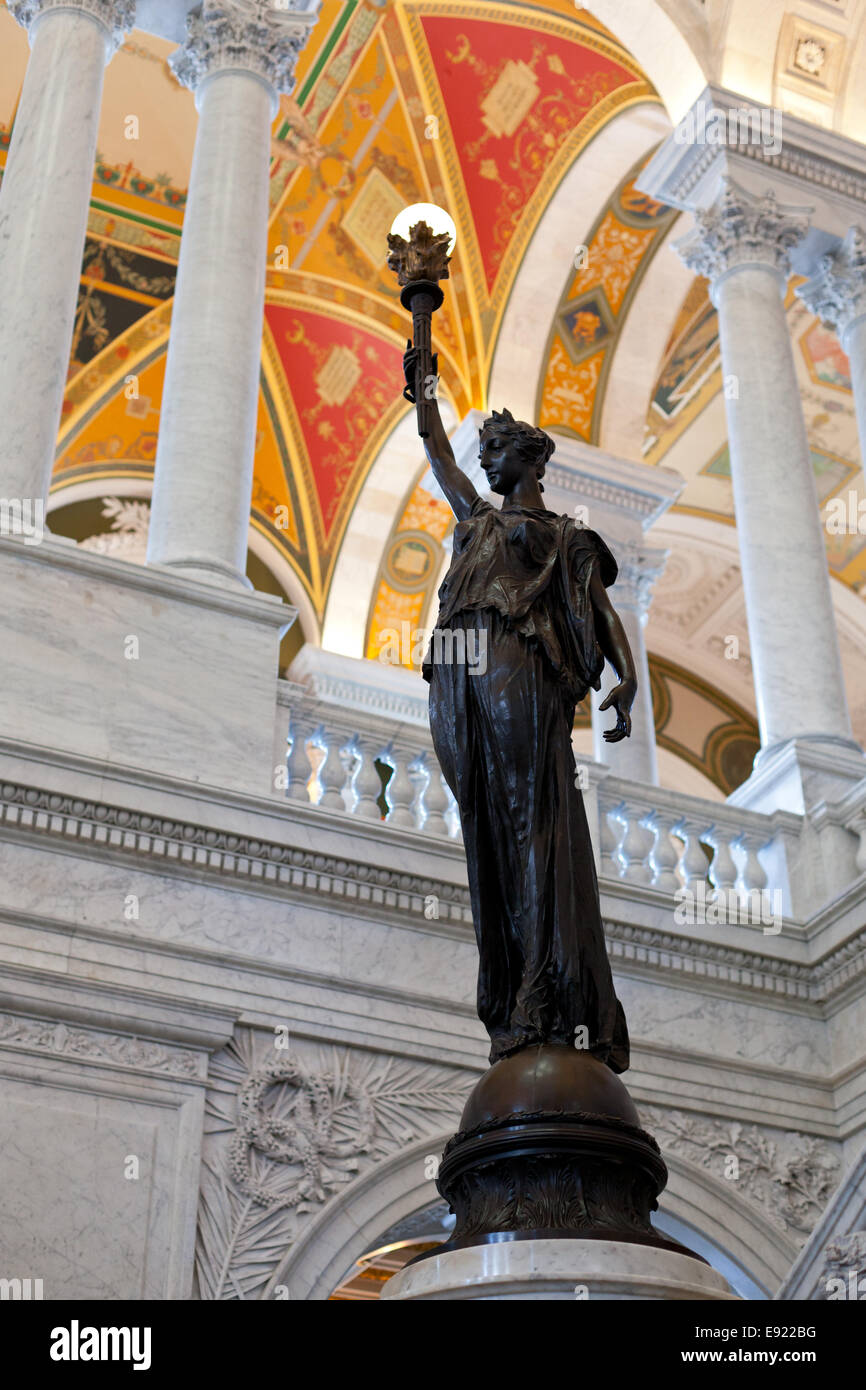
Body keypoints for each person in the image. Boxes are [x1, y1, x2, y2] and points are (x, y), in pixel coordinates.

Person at [403, 345, 636, 1071]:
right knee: (487, 825)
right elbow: (438, 452)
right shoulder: (475, 517)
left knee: (527, 814)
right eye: (486, 451)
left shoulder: (561, 535)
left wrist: (626, 678)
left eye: (497, 450)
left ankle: (540, 989)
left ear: (530, 461)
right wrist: (425, 388)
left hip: (515, 660)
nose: (486, 461)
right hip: (459, 669)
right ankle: (511, 986)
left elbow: (599, 612)